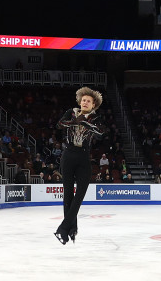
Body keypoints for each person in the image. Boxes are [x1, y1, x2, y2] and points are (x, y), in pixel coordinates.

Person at [54, 87, 104, 245]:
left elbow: (100, 134)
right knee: (68, 193)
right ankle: (70, 230)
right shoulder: (71, 112)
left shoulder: (95, 118)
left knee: (80, 193)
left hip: (83, 157)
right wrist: (76, 121)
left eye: (88, 101)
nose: (85, 102)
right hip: (68, 155)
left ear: (93, 104)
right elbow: (59, 125)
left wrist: (86, 124)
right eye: (83, 100)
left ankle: (64, 228)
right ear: (80, 101)